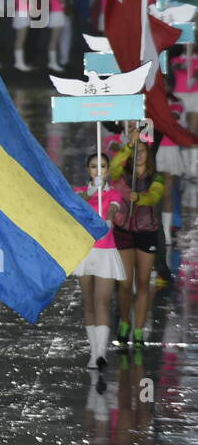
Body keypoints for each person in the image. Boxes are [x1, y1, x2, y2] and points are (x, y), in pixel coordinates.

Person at [109, 134, 163, 344]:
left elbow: (155, 197)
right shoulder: (120, 175)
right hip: (122, 232)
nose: (139, 154)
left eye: (142, 151)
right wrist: (129, 144)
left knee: (142, 283)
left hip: (146, 233)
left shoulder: (155, 178)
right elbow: (112, 168)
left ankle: (139, 330)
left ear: (148, 154)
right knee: (124, 283)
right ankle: (124, 321)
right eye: (135, 151)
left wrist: (140, 198)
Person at [74, 153, 125, 369]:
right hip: (85, 251)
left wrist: (110, 218)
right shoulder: (79, 192)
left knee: (102, 301)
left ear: (108, 170)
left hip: (105, 251)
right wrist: (91, 191)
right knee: (88, 303)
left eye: (102, 166)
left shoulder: (114, 193)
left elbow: (114, 207)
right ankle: (93, 352)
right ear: (87, 169)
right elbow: (77, 205)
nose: (98, 170)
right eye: (93, 166)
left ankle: (101, 353)